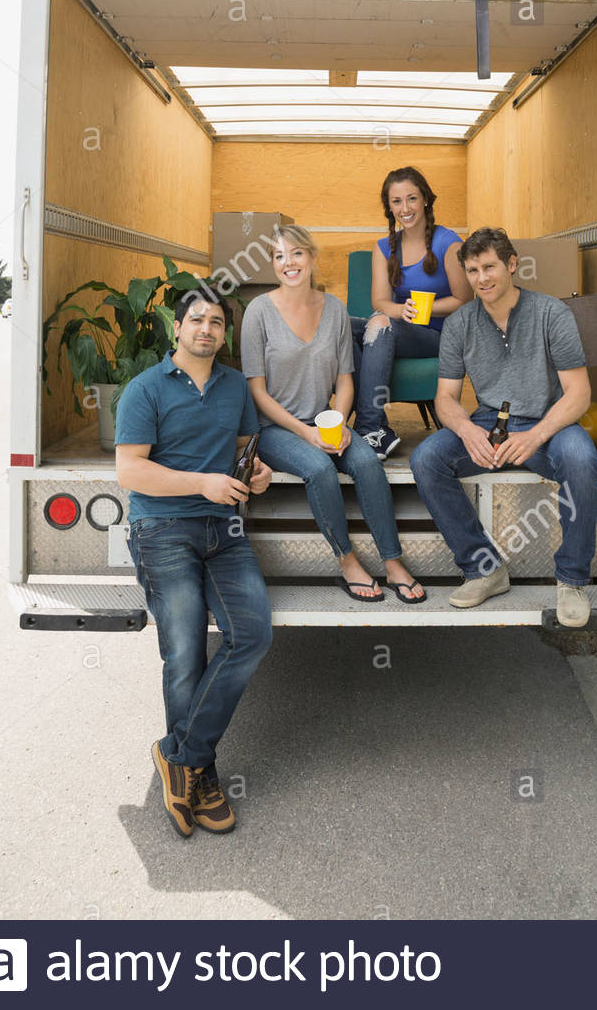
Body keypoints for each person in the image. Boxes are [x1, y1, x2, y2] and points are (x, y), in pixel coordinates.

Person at [115, 287, 273, 838]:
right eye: (196, 320)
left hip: (225, 530)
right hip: (162, 530)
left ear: (224, 334)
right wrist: (202, 484)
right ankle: (201, 775)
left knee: (251, 635)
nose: (207, 329)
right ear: (176, 328)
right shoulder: (145, 389)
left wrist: (256, 475)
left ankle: (179, 757)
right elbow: (131, 472)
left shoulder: (233, 386)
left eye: (216, 322)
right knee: (184, 651)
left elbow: (246, 446)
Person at [409, 227, 597, 628]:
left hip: (548, 422)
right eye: (474, 270)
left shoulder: (551, 313)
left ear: (511, 265)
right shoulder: (460, 324)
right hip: (487, 422)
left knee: (581, 458)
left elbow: (579, 394)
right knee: (426, 458)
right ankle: (484, 569)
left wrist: (536, 435)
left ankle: (572, 580)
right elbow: (445, 398)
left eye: (490, 266)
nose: (482, 278)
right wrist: (465, 430)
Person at [241, 225, 427, 603]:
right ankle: (347, 560)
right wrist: (306, 434)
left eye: (296, 254)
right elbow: (257, 392)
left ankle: (393, 562)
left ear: (311, 257)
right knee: (320, 469)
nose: (288, 263)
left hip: (322, 419)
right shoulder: (258, 312)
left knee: (366, 462)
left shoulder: (335, 310)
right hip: (275, 427)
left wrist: (340, 424)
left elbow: (345, 381)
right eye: (279, 256)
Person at [352, 166, 472, 459]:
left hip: (438, 334)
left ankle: (368, 428)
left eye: (411, 199)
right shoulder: (384, 248)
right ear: (389, 207)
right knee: (341, 327)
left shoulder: (448, 242)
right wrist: (400, 310)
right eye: (396, 201)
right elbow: (380, 301)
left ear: (425, 200)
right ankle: (378, 427)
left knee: (382, 325)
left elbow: (465, 299)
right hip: (400, 326)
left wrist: (422, 309)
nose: (404, 208)